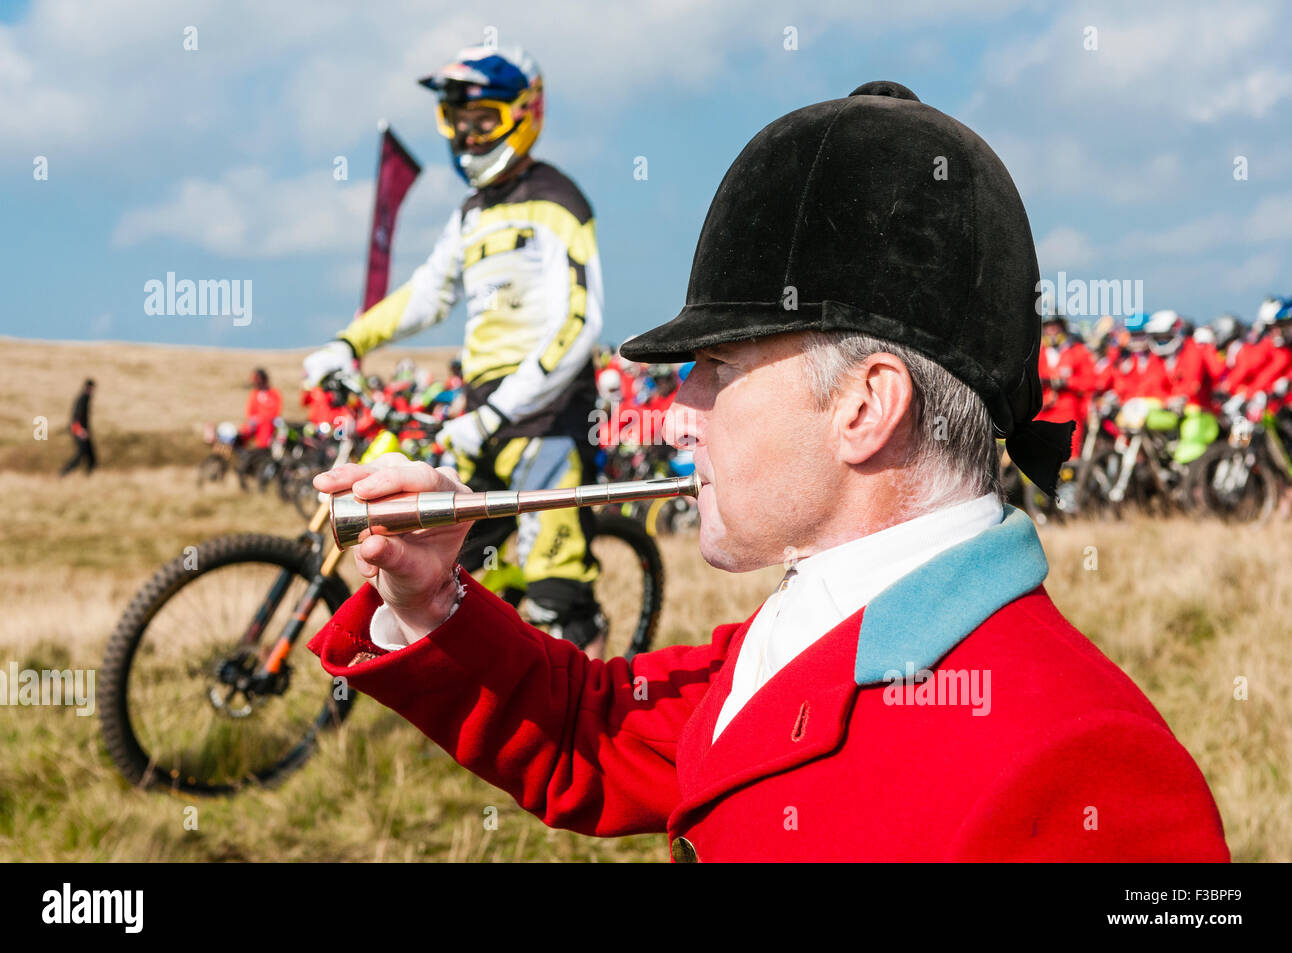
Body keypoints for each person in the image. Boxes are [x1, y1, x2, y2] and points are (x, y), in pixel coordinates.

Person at [307, 81, 1229, 861]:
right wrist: (433, 599)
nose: (679, 410)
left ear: (864, 408)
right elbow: (596, 729)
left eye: (719, 369)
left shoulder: (1086, 768)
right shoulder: (801, 624)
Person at [302, 43, 609, 657]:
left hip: (544, 413)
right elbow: (425, 295)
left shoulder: (557, 198)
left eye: (483, 122)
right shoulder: (470, 214)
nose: (468, 138)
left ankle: (589, 719)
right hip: (477, 411)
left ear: (524, 114)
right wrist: (348, 340)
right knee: (458, 572)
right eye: (456, 123)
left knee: (557, 591)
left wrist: (499, 414)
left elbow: (580, 322)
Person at [1035, 313, 1095, 459]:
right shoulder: (1037, 352)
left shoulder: (1078, 351)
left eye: (1055, 327)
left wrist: (1066, 382)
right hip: (1040, 412)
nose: (1052, 331)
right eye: (1048, 327)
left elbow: (1091, 381)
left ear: (1063, 327)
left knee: (1068, 459)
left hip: (1068, 412)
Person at [60, 378, 97, 476]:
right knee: (82, 455)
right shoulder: (83, 398)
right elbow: (76, 416)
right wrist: (80, 431)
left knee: (91, 458)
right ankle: (63, 473)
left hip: (81, 431)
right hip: (79, 431)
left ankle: (86, 477)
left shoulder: (85, 398)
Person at [240, 368, 282, 449]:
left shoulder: (274, 393)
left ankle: (262, 450)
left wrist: (263, 418)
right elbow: (250, 411)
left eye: (257, 379)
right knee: (244, 431)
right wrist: (254, 419)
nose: (256, 382)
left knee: (265, 426)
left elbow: (276, 410)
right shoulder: (254, 394)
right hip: (256, 422)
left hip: (269, 422)